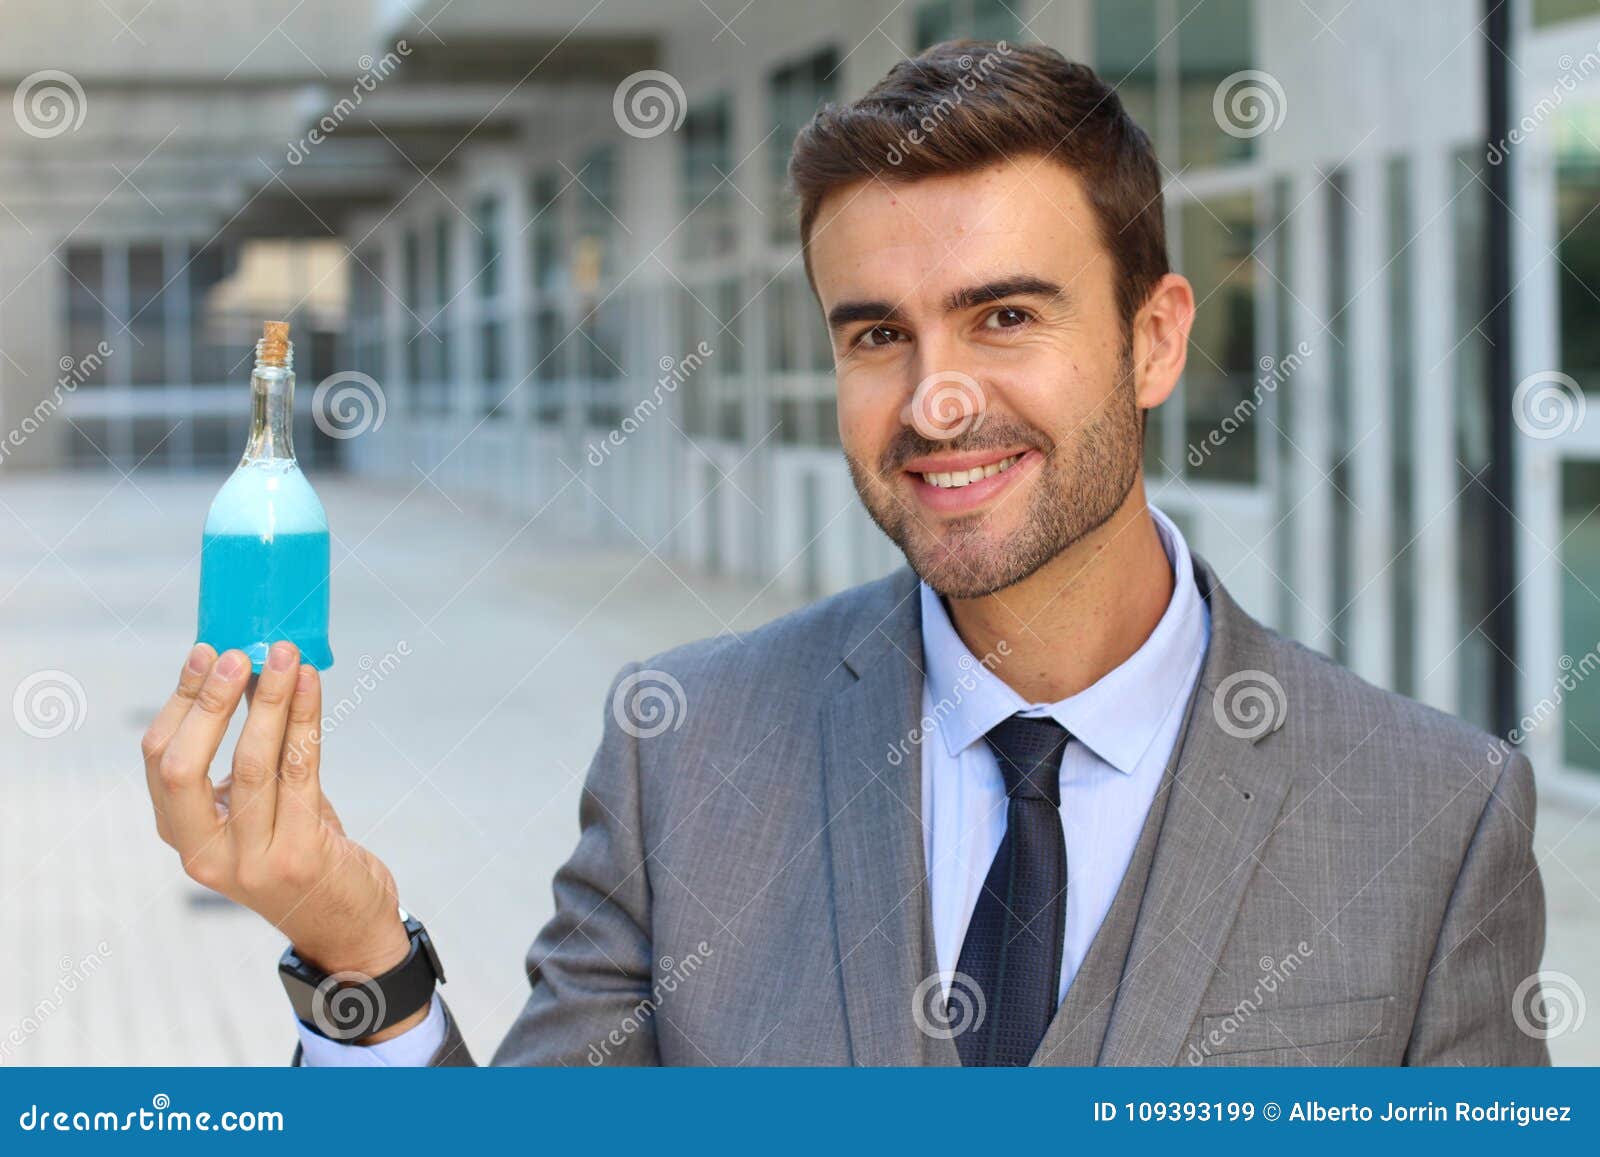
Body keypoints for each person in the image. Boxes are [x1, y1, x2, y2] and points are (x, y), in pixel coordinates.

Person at [141, 40, 1547, 1067]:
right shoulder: (685, 755)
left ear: (1157, 338)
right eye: (878, 333)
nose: (936, 400)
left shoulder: (1430, 817)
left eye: (1005, 316)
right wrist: (354, 949)